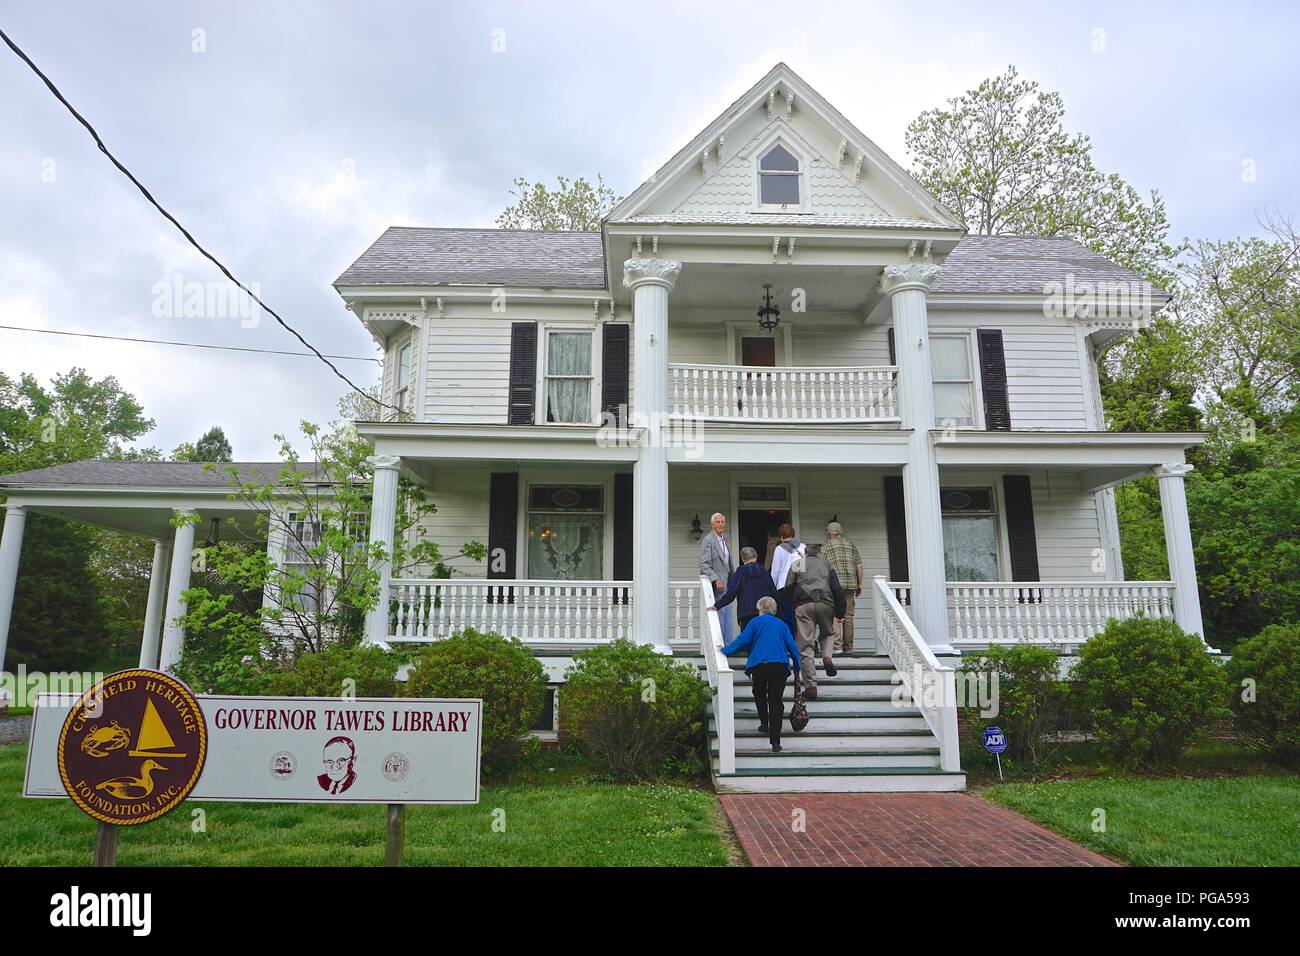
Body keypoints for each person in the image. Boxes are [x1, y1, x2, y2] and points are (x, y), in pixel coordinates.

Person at [720, 595, 801, 752]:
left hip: (760, 665)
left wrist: (725, 650)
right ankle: (775, 742)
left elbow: (742, 640)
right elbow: (792, 646)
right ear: (774, 609)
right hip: (779, 665)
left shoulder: (755, 622)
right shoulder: (782, 624)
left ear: (760, 609)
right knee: (776, 701)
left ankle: (764, 723)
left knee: (759, 692)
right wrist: (797, 665)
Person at [786, 542, 846, 698]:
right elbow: (837, 589)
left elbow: (788, 588)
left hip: (803, 606)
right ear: (818, 553)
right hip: (825, 604)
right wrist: (840, 612)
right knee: (828, 633)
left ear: (805, 553)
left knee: (805, 646)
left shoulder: (797, 564)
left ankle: (811, 686)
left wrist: (792, 606)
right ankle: (827, 656)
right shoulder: (826, 564)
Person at [708, 546, 779, 629]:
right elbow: (774, 593)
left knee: (748, 640)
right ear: (756, 556)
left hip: (747, 614)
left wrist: (716, 605)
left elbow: (731, 594)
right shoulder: (763, 571)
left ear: (742, 558)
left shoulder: (740, 572)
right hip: (765, 613)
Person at [823, 521, 864, 654]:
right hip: (850, 585)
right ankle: (848, 647)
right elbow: (859, 566)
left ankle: (837, 646)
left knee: (835, 614)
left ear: (829, 534)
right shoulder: (851, 545)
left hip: (834, 586)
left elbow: (821, 566)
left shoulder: (826, 546)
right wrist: (859, 584)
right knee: (848, 616)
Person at [698, 512, 735, 643]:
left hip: (727, 585)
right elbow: (704, 564)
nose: (721, 524)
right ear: (712, 524)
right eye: (718, 522)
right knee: (720, 615)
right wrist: (715, 579)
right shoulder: (708, 540)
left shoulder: (724, 540)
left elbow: (728, 564)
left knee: (728, 615)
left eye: (722, 522)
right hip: (717, 587)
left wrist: (733, 581)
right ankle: (719, 643)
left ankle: (728, 645)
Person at [769, 523, 805, 636]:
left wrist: (772, 590)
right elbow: (803, 567)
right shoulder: (803, 547)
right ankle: (800, 642)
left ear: (781, 536)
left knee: (786, 616)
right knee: (800, 615)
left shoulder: (779, 549)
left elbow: (775, 571)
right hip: (800, 586)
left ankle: (788, 642)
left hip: (783, 586)